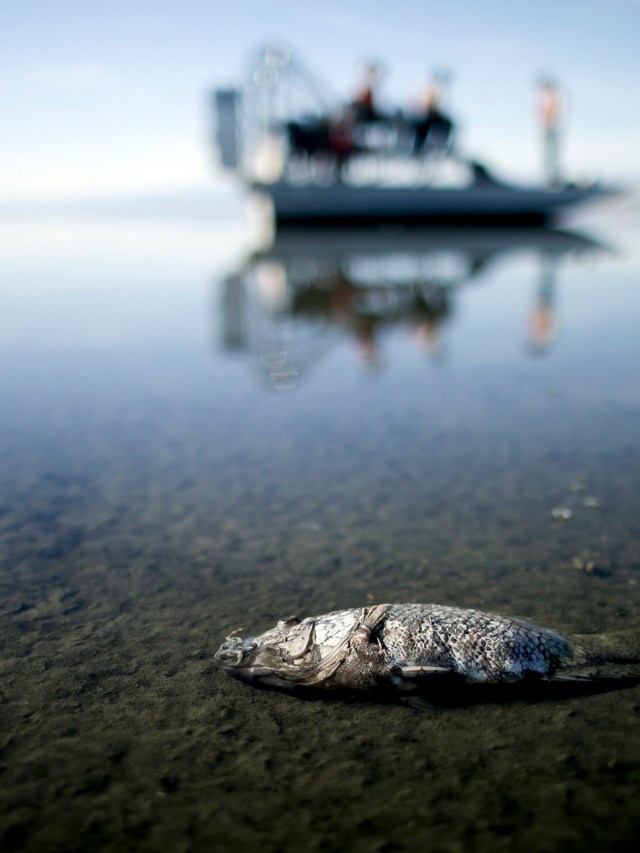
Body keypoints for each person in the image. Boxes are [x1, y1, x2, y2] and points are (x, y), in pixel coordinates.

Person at [537, 78, 563, 187]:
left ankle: (553, 181)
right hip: (549, 128)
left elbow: (550, 114)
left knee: (551, 155)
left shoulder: (554, 97)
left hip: (551, 129)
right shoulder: (551, 98)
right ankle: (551, 181)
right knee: (549, 156)